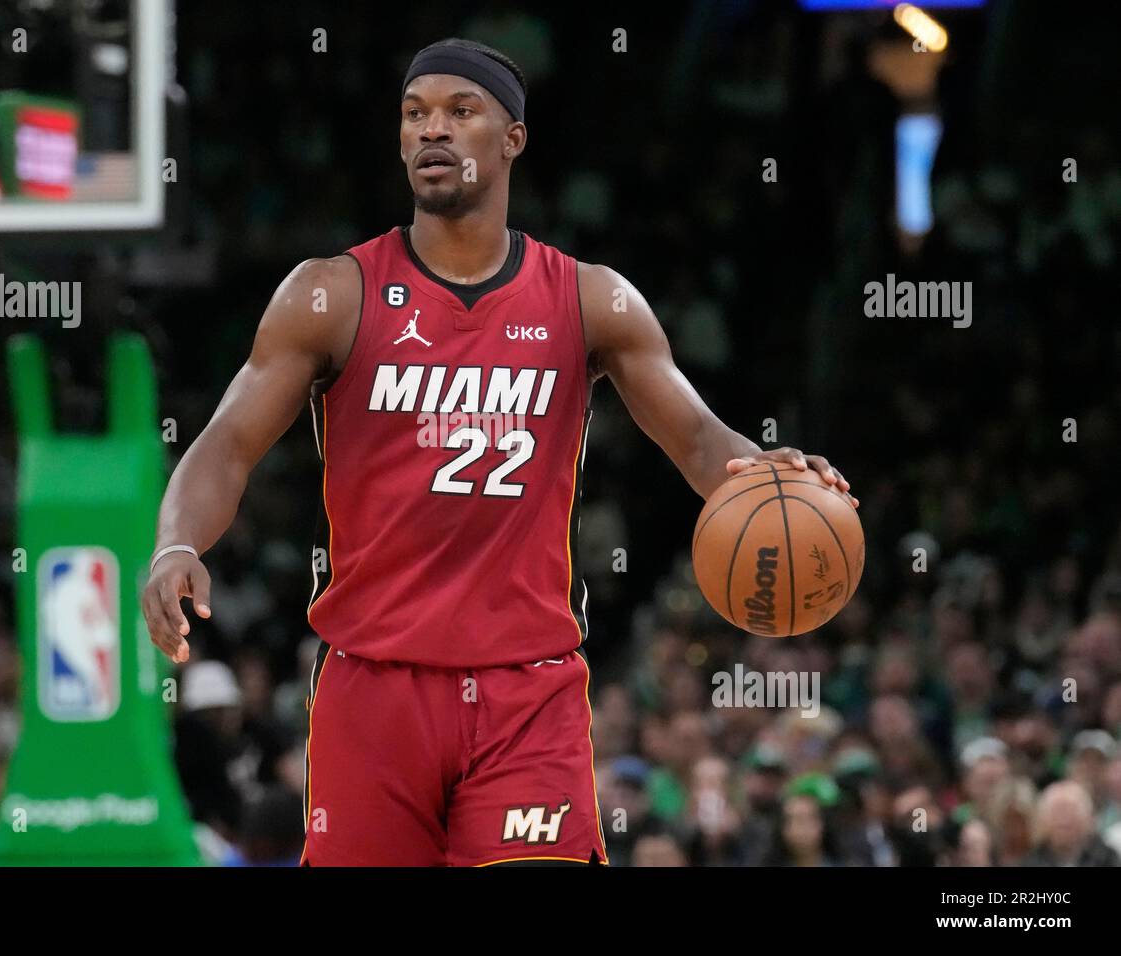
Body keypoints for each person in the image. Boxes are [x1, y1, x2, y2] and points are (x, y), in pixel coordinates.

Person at [141, 37, 855, 866]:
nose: (430, 132)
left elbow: (699, 440)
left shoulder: (592, 298)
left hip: (528, 690)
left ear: (512, 138)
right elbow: (228, 441)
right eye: (414, 115)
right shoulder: (330, 293)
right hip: (375, 687)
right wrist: (177, 543)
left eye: (459, 112)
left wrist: (766, 470)